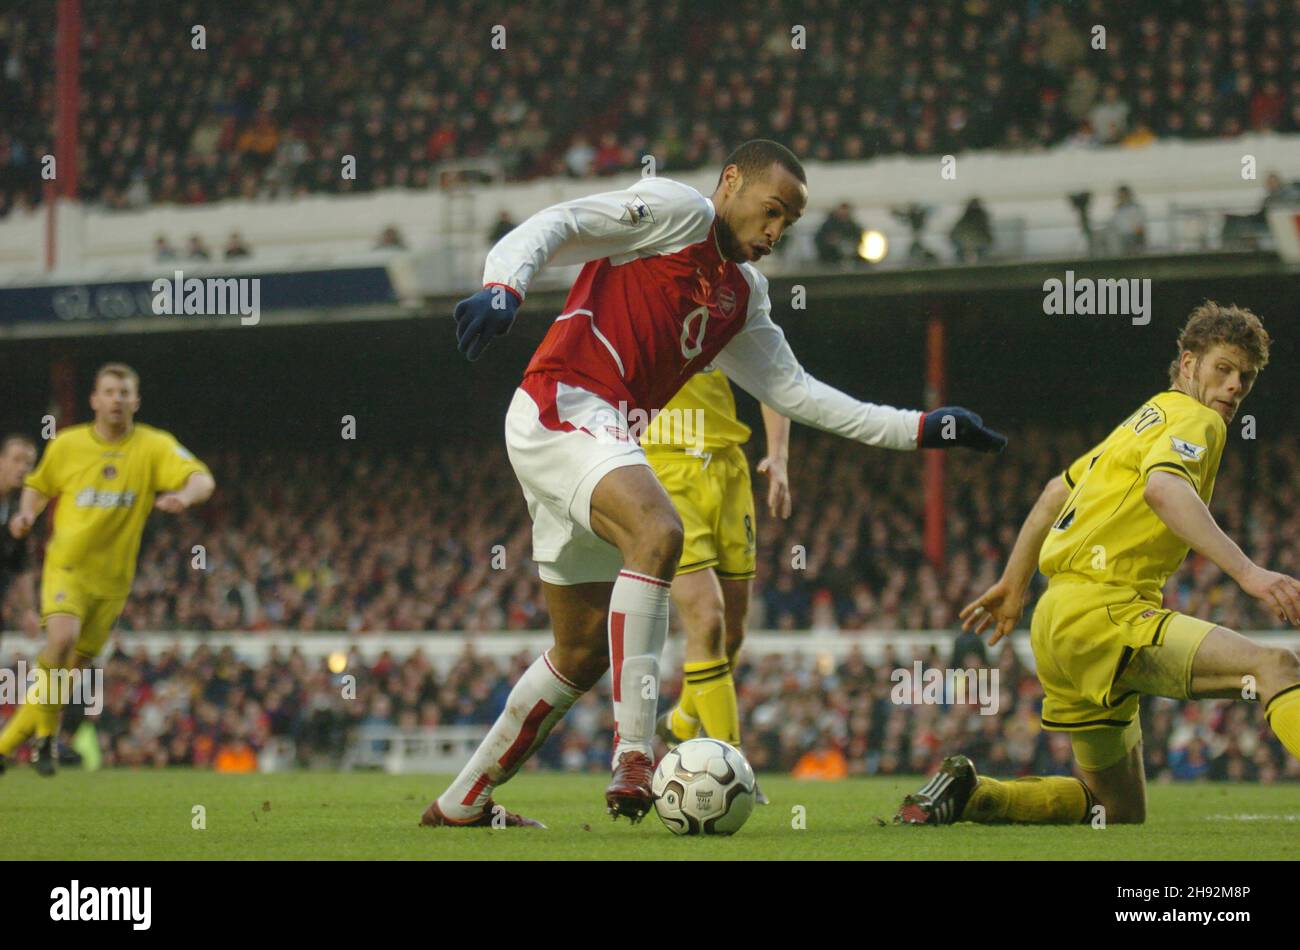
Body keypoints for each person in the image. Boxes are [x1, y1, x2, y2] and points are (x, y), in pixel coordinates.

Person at [428, 139, 1006, 828]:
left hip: (593, 438)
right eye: (771, 212)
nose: (774, 233)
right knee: (659, 531)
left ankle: (461, 802)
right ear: (731, 182)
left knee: (579, 654)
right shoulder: (676, 211)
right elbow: (560, 221)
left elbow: (800, 394)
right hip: (562, 406)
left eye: (786, 224)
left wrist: (922, 428)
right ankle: (636, 753)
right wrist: (506, 283)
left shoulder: (741, 298)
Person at [896, 302, 1300, 826]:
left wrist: (1014, 586)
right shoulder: (1198, 420)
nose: (1233, 387)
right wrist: (1250, 573)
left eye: (1244, 378)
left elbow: (1049, 495)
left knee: (1116, 810)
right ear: (1188, 363)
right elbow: (1163, 487)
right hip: (1108, 611)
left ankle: (972, 794)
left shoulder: (1139, 422)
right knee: (1276, 667)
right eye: (1222, 368)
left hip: (1055, 621)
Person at [0, 364, 215, 776]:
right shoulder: (68, 444)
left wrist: (185, 497)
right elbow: (38, 485)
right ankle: (43, 739)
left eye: (124, 392)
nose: (117, 399)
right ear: (94, 401)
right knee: (61, 639)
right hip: (67, 567)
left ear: (136, 401)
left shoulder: (154, 447)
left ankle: (11, 745)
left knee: (71, 672)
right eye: (109, 392)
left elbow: (203, 478)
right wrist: (27, 515)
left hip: (113, 582)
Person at [646, 368, 790, 807]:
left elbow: (775, 373)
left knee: (732, 632)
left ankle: (681, 723)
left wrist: (779, 455)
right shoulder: (642, 305)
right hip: (666, 468)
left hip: (729, 468)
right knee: (706, 619)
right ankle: (734, 767)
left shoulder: (736, 305)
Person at [0, 435, 40, 646]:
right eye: (16, 460)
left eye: (28, 463)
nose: (23, 468)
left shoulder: (19, 510)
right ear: (1, 460)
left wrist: (29, 610)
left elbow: (21, 565)